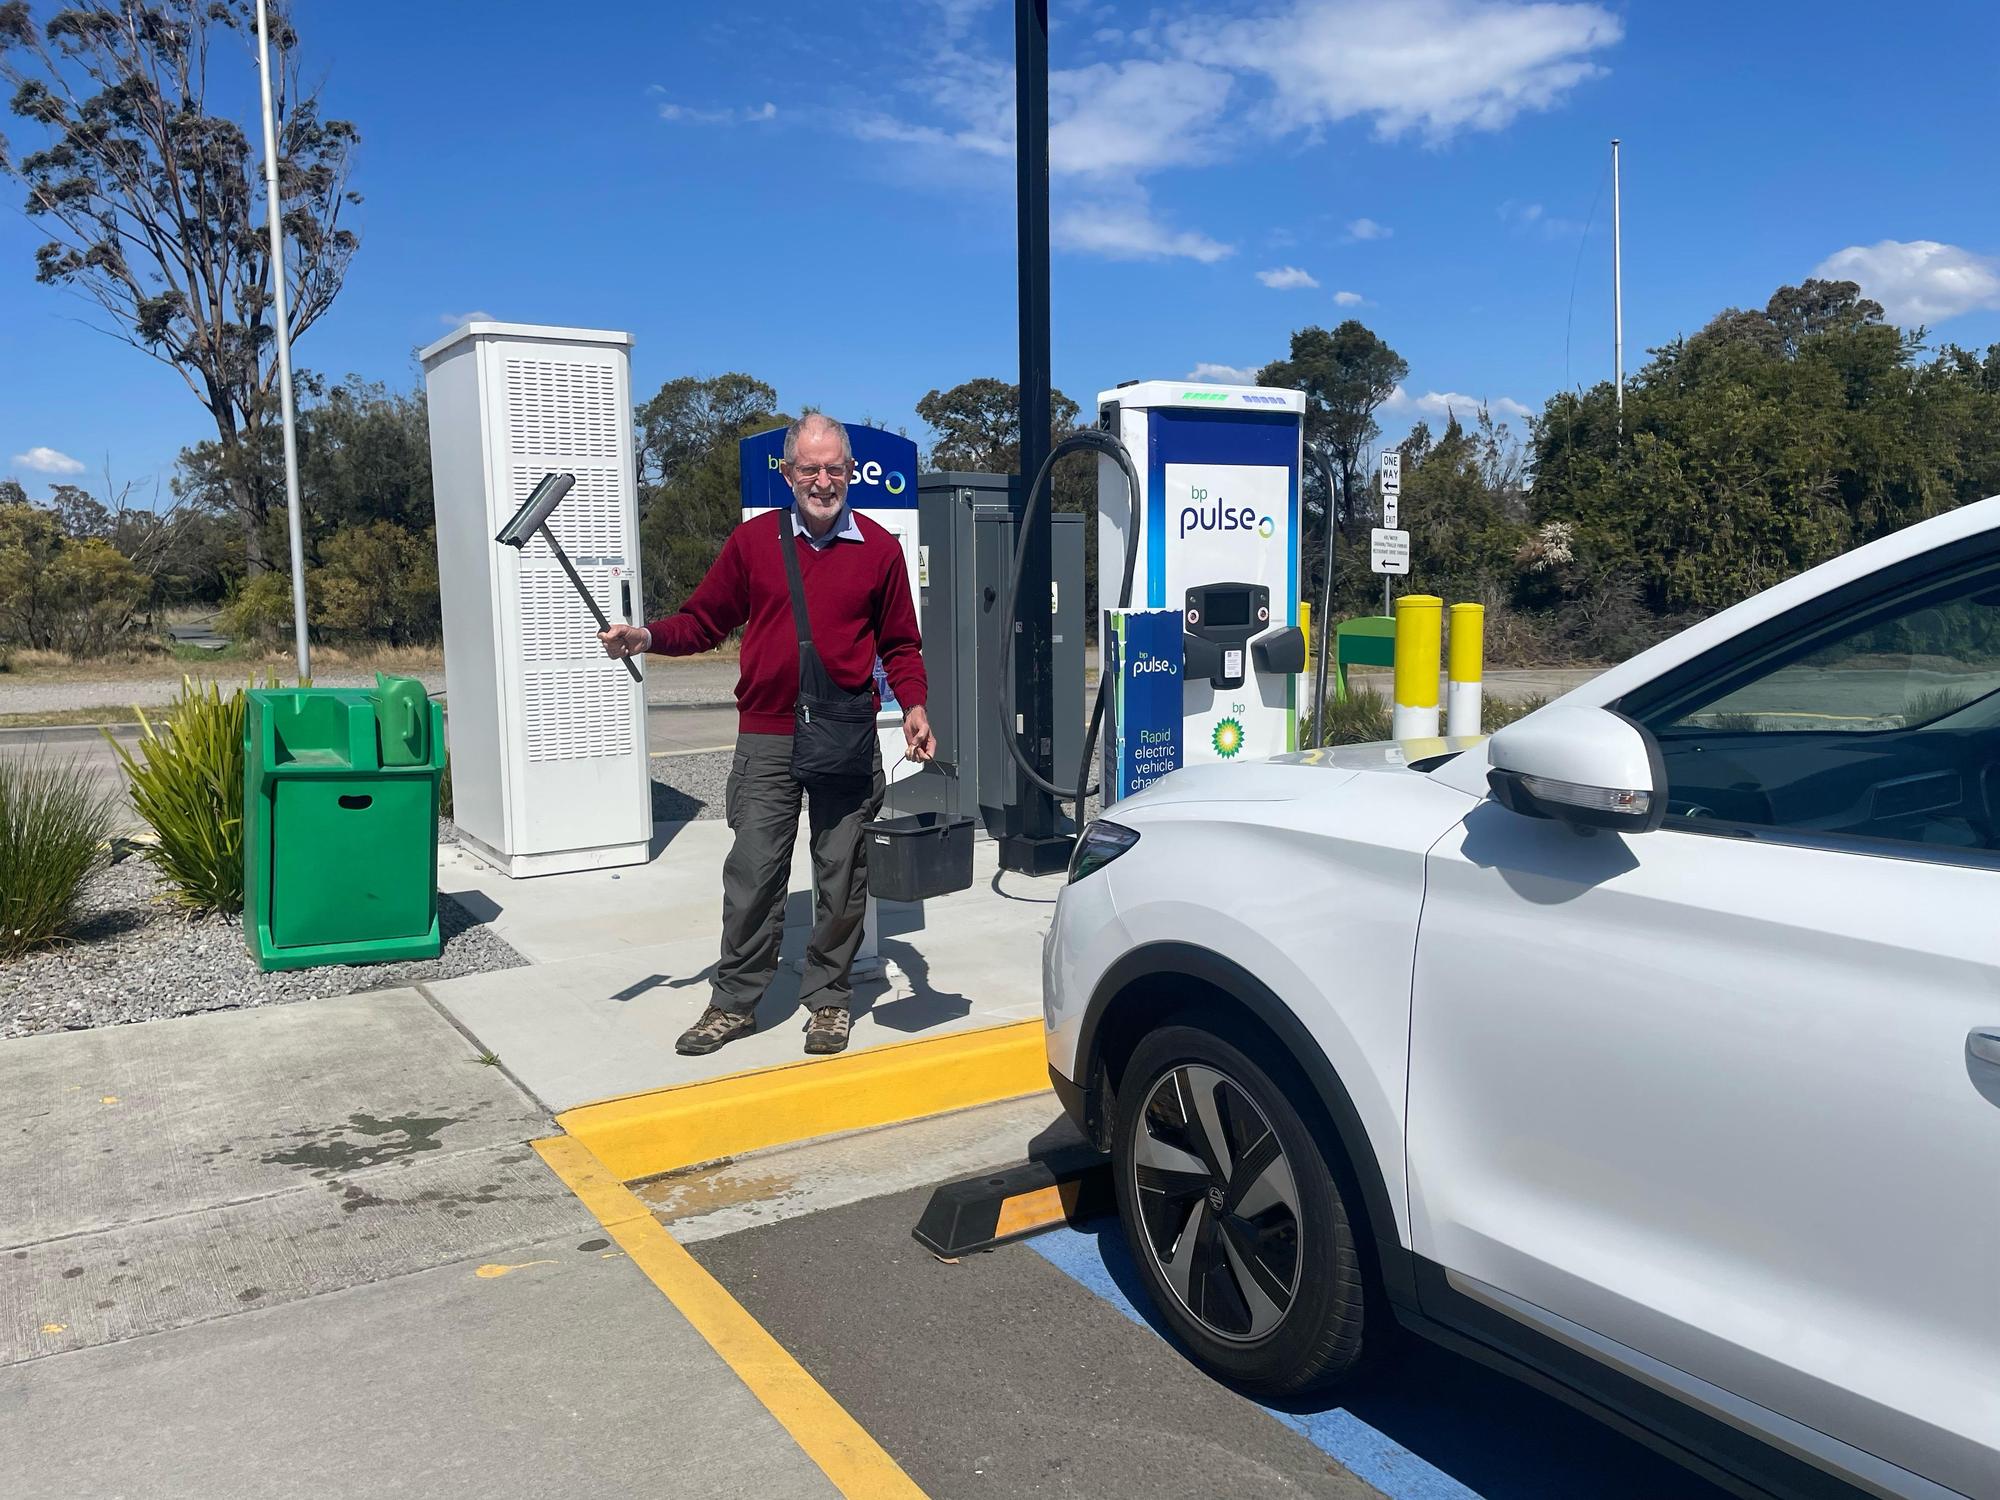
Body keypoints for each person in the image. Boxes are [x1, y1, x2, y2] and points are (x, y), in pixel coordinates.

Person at [599, 413, 934, 1057]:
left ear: (851, 470)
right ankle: (734, 1003)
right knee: (753, 873)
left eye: (835, 467)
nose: (823, 479)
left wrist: (914, 706)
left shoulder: (881, 551)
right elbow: (704, 621)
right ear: (788, 473)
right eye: (809, 468)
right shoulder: (754, 543)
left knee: (841, 874)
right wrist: (645, 637)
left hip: (846, 735)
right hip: (767, 737)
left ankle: (830, 1001)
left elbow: (900, 644)